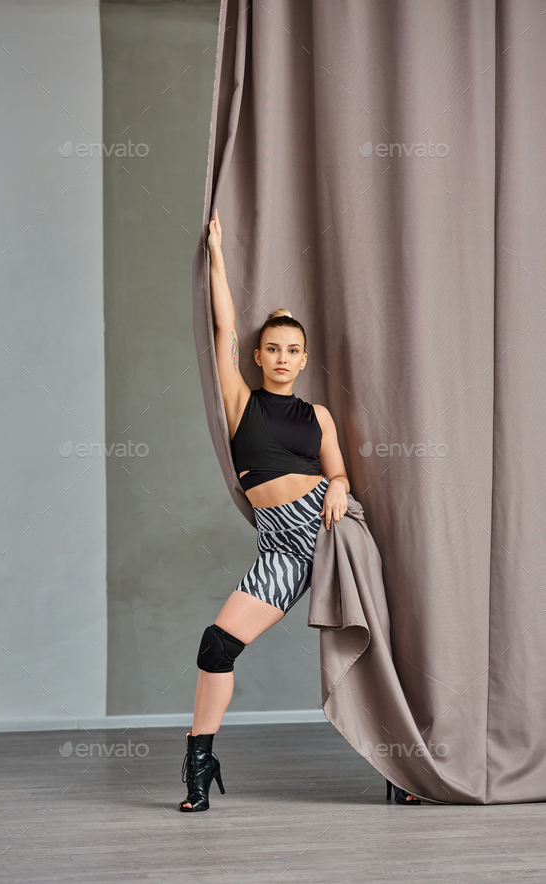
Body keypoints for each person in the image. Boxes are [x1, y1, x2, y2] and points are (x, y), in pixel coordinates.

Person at [179, 208, 419, 811]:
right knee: (216, 647)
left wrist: (338, 485)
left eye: (292, 350)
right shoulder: (241, 402)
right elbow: (223, 328)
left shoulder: (319, 416)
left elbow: (337, 470)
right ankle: (199, 764)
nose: (282, 357)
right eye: (272, 349)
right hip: (282, 548)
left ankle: (401, 769)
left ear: (304, 359)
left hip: (333, 533)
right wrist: (216, 256)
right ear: (258, 357)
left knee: (373, 650)